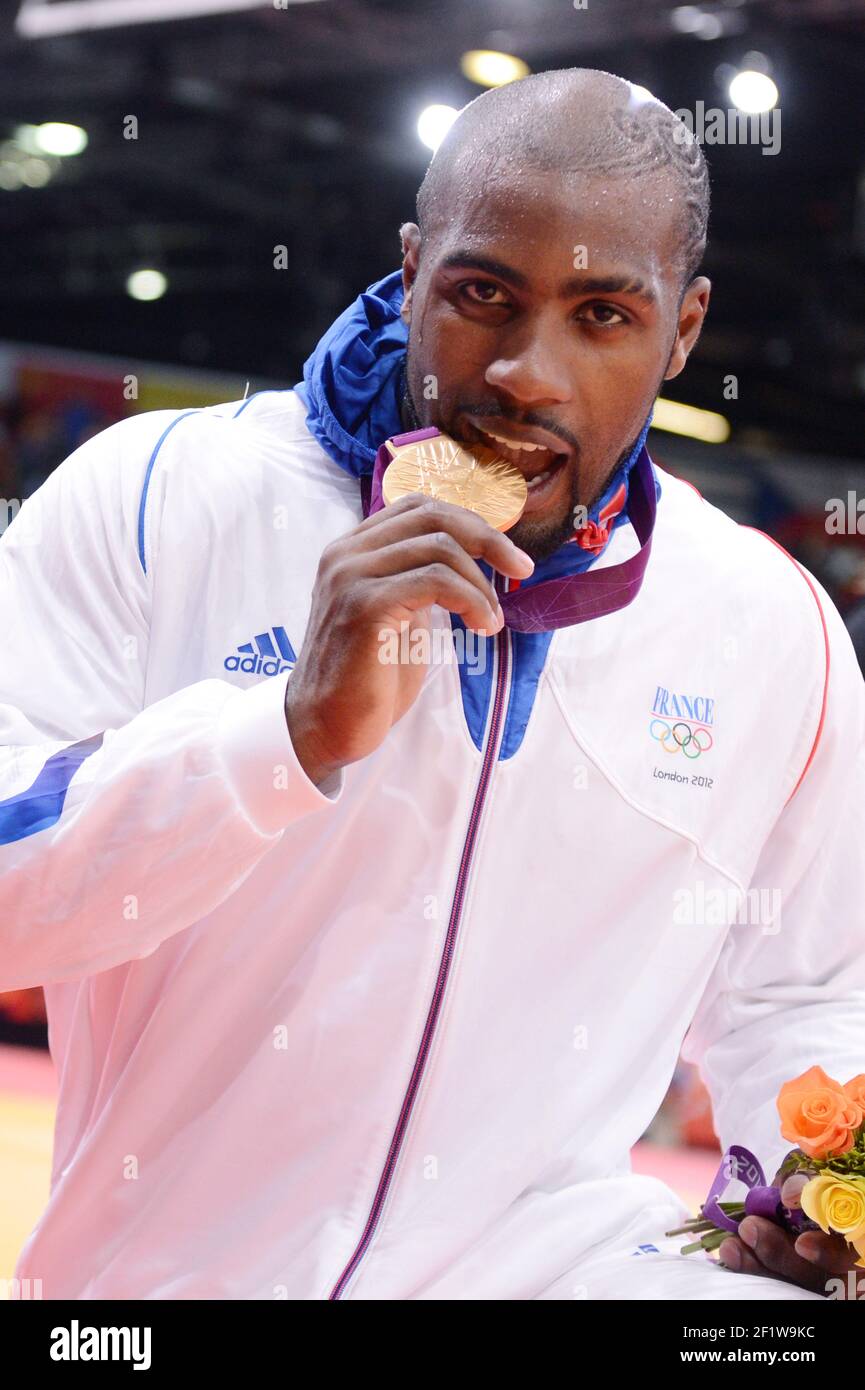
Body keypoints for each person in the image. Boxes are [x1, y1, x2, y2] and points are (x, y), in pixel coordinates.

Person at [1, 67, 863, 1301]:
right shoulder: (159, 496)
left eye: (604, 315)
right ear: (408, 271)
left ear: (683, 330)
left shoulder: (770, 628)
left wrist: (812, 1184)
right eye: (480, 293)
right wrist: (282, 737)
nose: (525, 371)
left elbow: (810, 996)